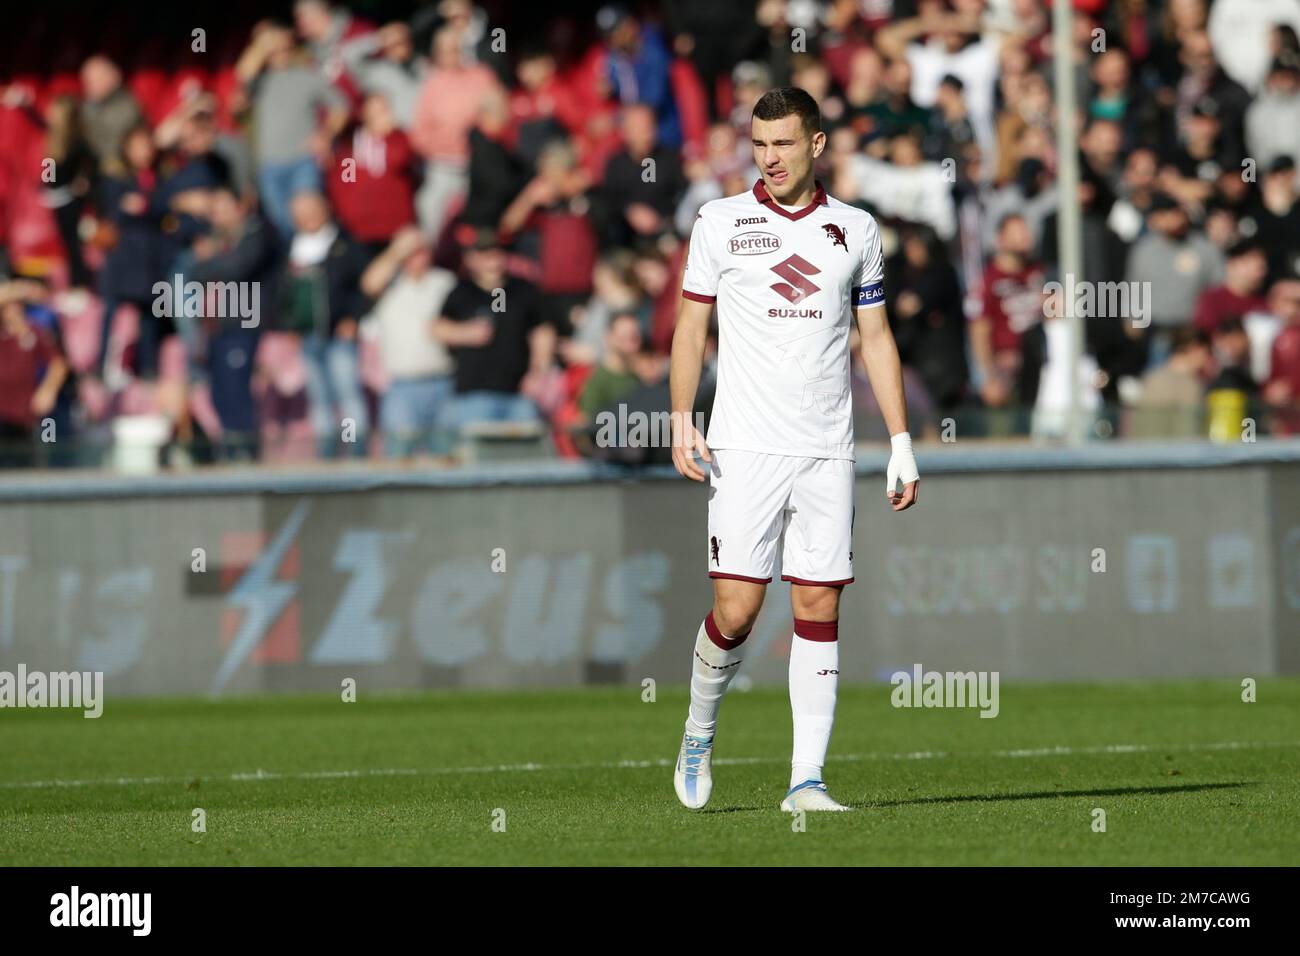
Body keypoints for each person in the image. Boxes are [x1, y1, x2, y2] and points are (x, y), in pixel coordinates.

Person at [668, 87, 918, 814]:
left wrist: (901, 441)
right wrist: (681, 419)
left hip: (826, 448)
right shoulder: (719, 221)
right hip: (744, 445)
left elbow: (876, 338)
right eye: (759, 144)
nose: (769, 157)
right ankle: (699, 728)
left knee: (817, 601)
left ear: (816, 143)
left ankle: (806, 781)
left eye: (782, 143)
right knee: (737, 611)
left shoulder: (856, 229)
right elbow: (690, 328)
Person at [359, 227, 458, 458]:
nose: (416, 257)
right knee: (398, 456)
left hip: (443, 382)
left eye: (421, 250)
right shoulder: (389, 284)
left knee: (446, 456)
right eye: (410, 252)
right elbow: (369, 283)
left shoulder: (445, 282)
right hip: (402, 387)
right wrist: (397, 251)